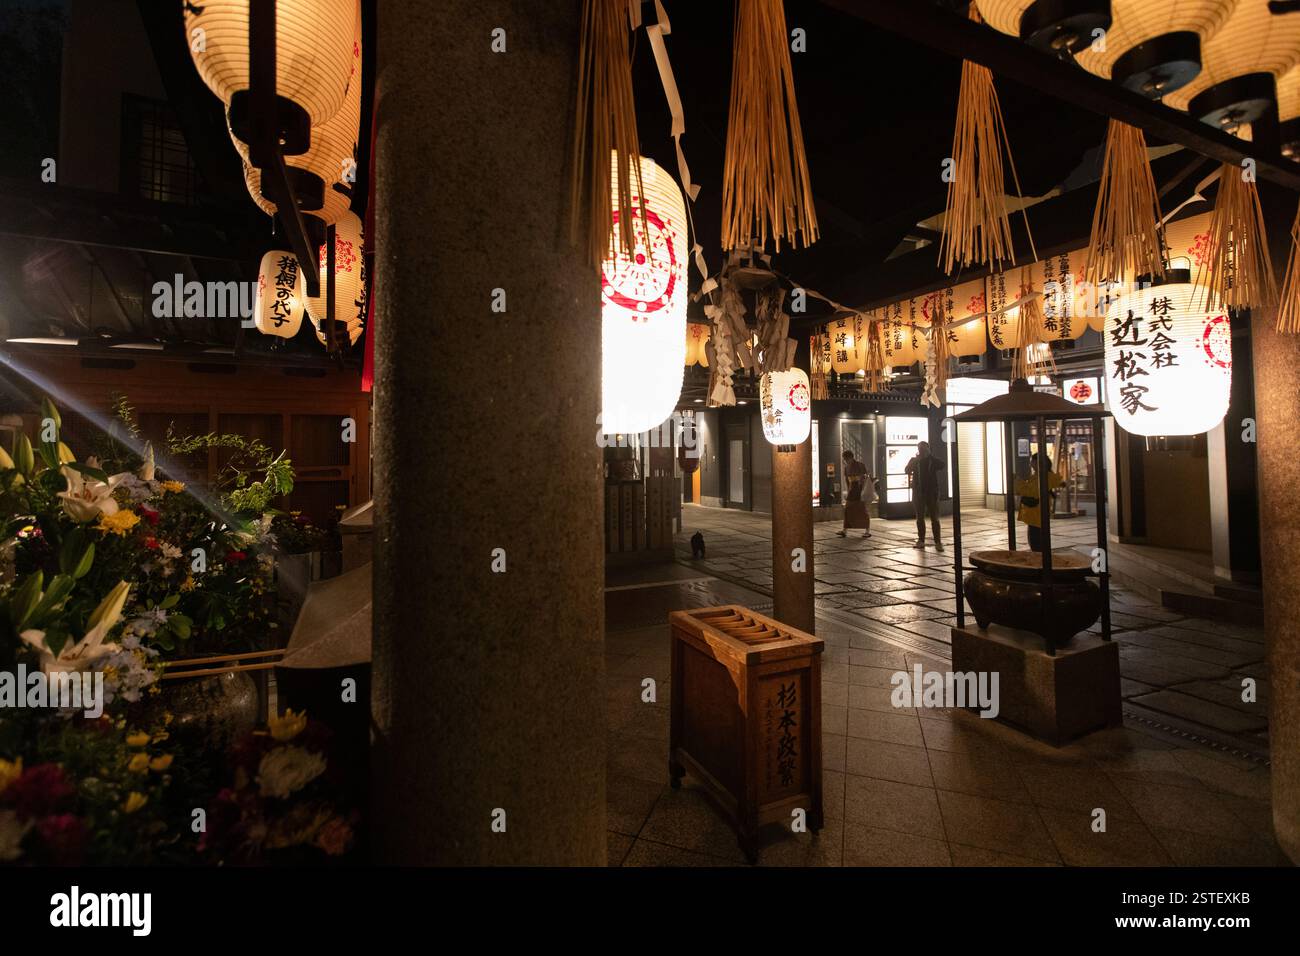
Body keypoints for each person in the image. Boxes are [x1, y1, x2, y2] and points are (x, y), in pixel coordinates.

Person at [1015, 451, 1064, 552]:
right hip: (1035, 514)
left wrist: (1017, 482)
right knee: (1035, 540)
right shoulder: (1040, 475)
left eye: (1032, 462)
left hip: (1037, 514)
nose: (1030, 464)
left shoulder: (1043, 477)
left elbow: (1031, 492)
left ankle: (1040, 558)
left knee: (1036, 543)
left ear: (1038, 462)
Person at [904, 441, 944, 551]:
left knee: (934, 518)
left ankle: (938, 542)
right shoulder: (914, 460)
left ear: (928, 449)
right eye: (920, 449)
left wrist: (930, 456)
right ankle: (921, 540)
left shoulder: (932, 460)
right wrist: (916, 460)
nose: (922, 451)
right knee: (920, 518)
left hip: (932, 493)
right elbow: (907, 470)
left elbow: (942, 465)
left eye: (924, 449)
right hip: (919, 493)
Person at [837, 450, 873, 538]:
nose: (845, 461)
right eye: (844, 459)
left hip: (860, 489)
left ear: (851, 457)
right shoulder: (847, 467)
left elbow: (865, 476)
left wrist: (862, 485)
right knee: (847, 509)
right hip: (852, 489)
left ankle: (867, 531)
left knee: (862, 510)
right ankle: (845, 530)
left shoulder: (860, 465)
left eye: (846, 459)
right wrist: (848, 489)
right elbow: (847, 479)